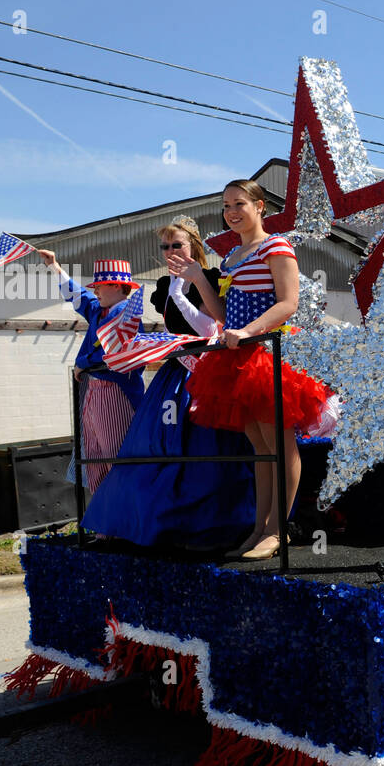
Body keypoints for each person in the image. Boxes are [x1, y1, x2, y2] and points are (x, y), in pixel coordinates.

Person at [81, 218, 260, 551]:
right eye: (165, 246)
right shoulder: (164, 286)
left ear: (193, 246)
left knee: (207, 448)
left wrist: (181, 294)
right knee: (157, 447)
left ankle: (213, 525)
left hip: (206, 372)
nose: (169, 252)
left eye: (176, 245)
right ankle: (150, 523)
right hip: (174, 375)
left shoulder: (210, 278)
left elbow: (212, 328)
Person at [184, 179, 331, 560]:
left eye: (239, 203)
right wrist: (199, 278)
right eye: (226, 205)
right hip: (238, 356)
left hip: (269, 353)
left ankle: (278, 529)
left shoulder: (277, 246)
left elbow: (288, 303)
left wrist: (249, 331)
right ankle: (260, 527)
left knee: (279, 445)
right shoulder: (231, 258)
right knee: (260, 449)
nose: (231, 211)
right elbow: (223, 314)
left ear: (260, 206)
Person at [39, 251, 145, 497]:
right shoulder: (101, 309)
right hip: (93, 391)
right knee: (95, 460)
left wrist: (83, 362)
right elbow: (78, 295)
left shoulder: (128, 314)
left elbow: (117, 353)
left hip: (116, 392)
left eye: (99, 286)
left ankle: (123, 523)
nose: (95, 291)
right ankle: (104, 524)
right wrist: (54, 266)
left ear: (117, 286)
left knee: (115, 458)